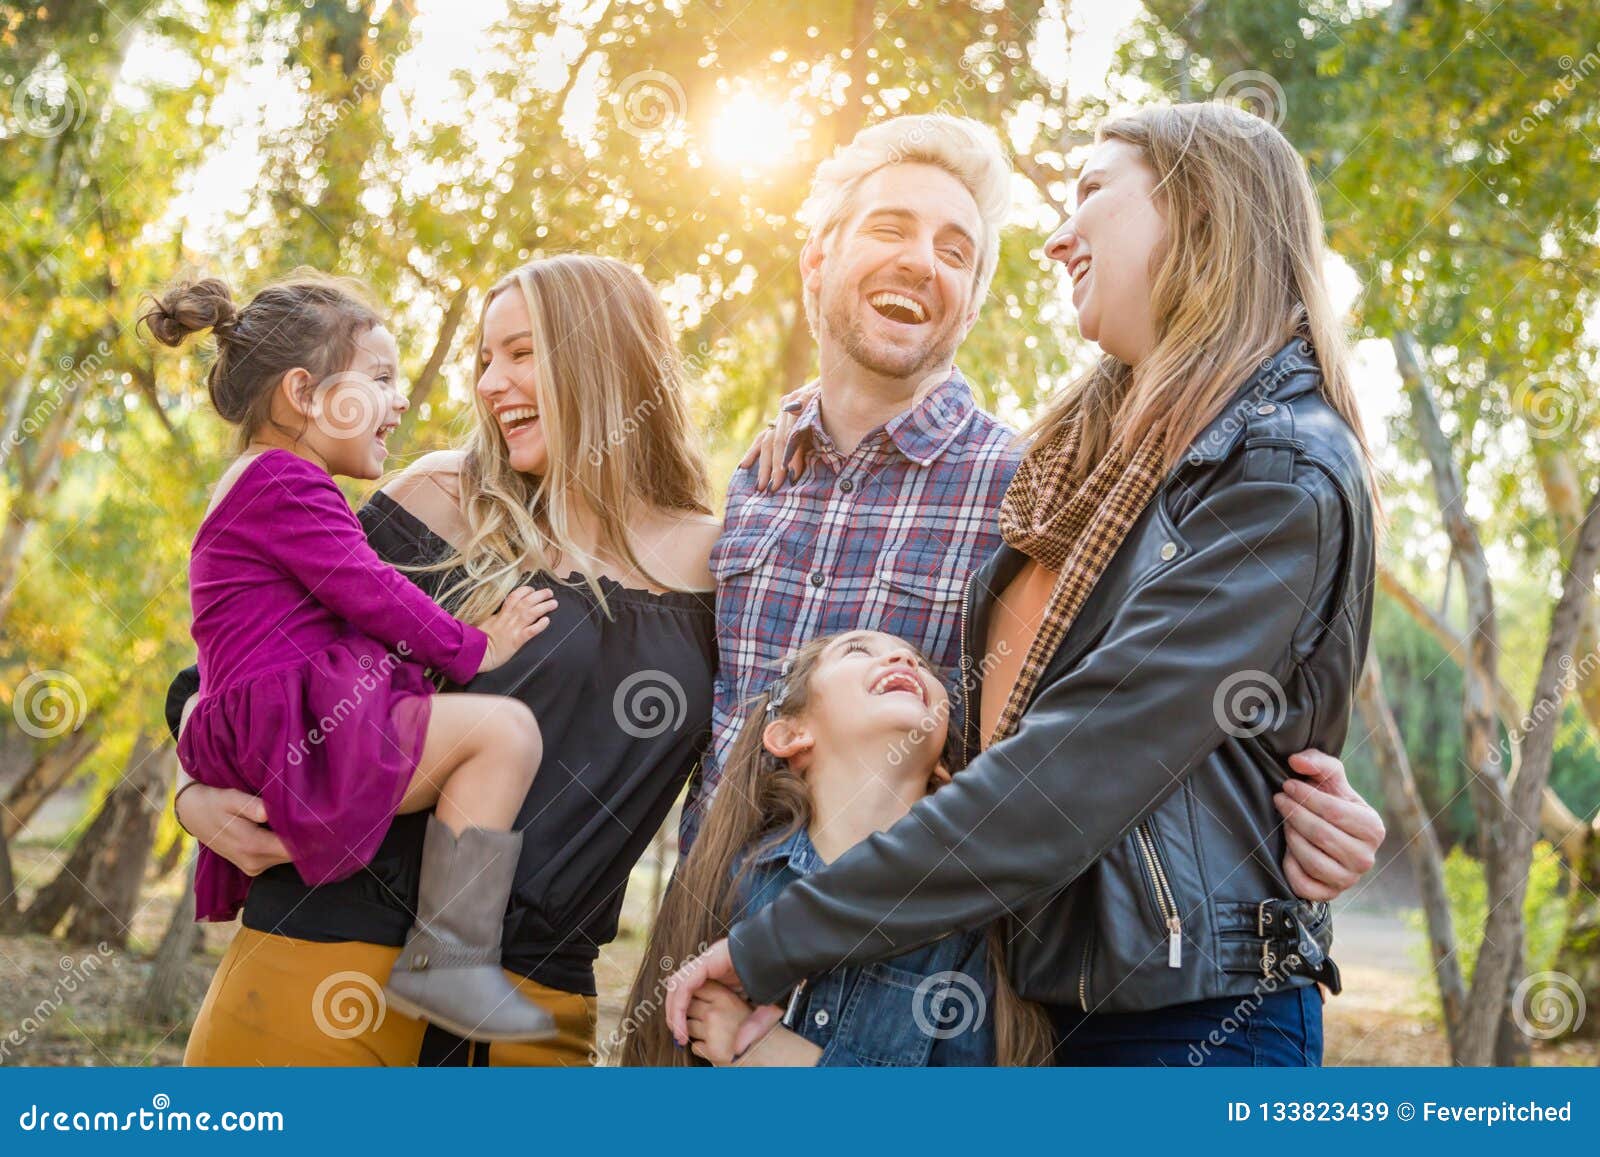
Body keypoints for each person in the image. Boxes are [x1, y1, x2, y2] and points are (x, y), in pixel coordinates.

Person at [666, 103, 1384, 1066]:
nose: (1057, 236)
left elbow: (1075, 764)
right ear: (816, 259)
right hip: (787, 965)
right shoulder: (1081, 477)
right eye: (889, 229)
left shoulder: (1254, 465)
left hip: (1126, 1005)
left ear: (1200, 215)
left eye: (1091, 192)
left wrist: (1287, 816)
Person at [166, 254, 720, 1065]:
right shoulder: (440, 500)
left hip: (534, 1005)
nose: (491, 384)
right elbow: (236, 667)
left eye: (522, 353)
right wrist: (191, 795)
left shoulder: (725, 565)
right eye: (484, 360)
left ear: (608, 356)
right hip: (326, 961)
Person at [147, 272, 558, 1041]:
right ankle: (452, 957)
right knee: (504, 734)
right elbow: (375, 592)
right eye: (380, 379)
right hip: (289, 728)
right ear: (305, 393)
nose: (399, 400)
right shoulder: (285, 483)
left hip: (256, 724)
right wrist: (479, 643)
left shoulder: (257, 483)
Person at [621, 630, 1050, 1067]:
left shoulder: (967, 913)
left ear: (941, 763)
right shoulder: (736, 885)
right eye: (859, 650)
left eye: (921, 664)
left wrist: (780, 1056)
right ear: (791, 734)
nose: (904, 657)